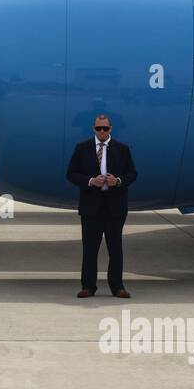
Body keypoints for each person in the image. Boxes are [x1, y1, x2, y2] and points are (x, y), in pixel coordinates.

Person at [66, 114, 138, 298]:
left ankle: (117, 286)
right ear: (93, 129)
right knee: (90, 248)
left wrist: (118, 181)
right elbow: (71, 174)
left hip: (115, 206)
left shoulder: (122, 149)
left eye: (105, 128)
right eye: (99, 128)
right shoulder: (82, 148)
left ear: (111, 128)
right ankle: (88, 286)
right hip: (92, 206)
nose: (102, 132)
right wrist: (90, 181)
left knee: (115, 248)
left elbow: (132, 174)